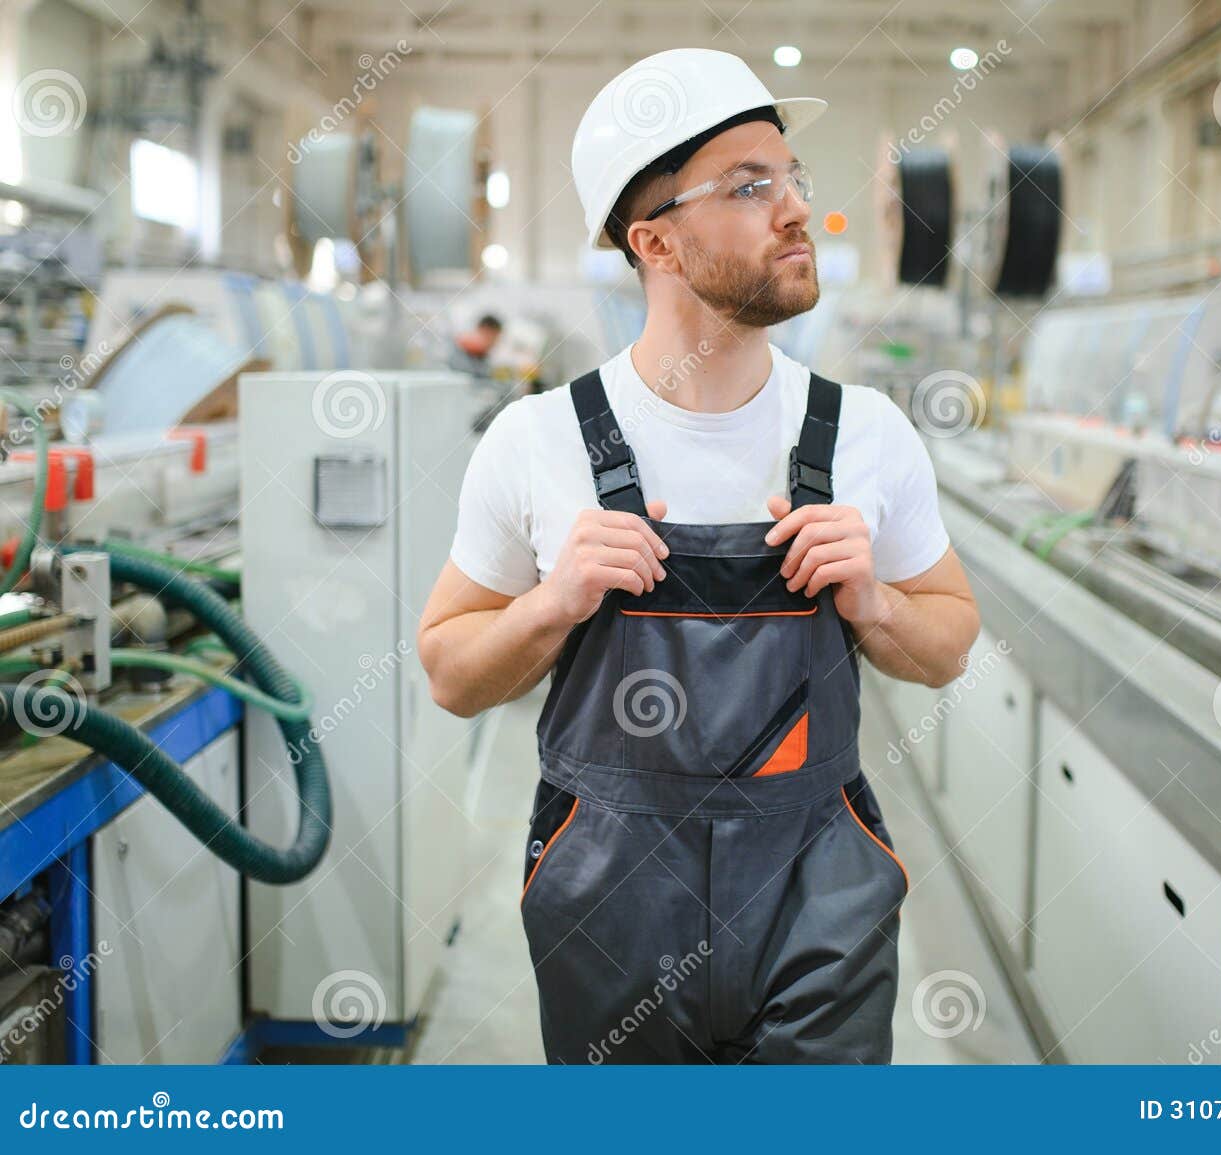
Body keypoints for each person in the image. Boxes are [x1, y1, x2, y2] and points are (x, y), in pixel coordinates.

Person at [417, 47, 979, 1064]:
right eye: (749, 187)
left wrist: (878, 605)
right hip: (610, 904)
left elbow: (948, 646)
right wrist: (552, 604)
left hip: (819, 896)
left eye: (791, 177)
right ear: (655, 242)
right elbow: (451, 675)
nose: (796, 208)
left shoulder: (868, 435)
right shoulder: (537, 442)